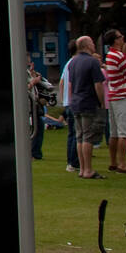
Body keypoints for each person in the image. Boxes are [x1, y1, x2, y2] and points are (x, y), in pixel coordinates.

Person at [66, 36, 107, 180]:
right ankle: (88, 169)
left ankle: (82, 168)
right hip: (88, 102)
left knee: (79, 136)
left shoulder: (73, 62)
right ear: (87, 45)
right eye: (92, 42)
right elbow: (98, 84)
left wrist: (71, 101)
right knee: (88, 136)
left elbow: (70, 85)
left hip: (76, 102)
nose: (94, 44)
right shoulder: (92, 62)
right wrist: (102, 102)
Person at [102, 29, 126, 174]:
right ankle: (122, 163)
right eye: (120, 37)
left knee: (114, 132)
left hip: (113, 96)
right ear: (116, 40)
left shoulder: (110, 55)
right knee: (124, 132)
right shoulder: (118, 55)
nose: (123, 39)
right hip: (122, 96)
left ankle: (113, 162)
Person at [58, 39, 80, 172]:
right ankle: (74, 162)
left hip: (68, 102)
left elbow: (61, 83)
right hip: (73, 102)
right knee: (77, 133)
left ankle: (71, 161)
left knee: (72, 134)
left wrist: (63, 100)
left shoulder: (67, 64)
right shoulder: (75, 63)